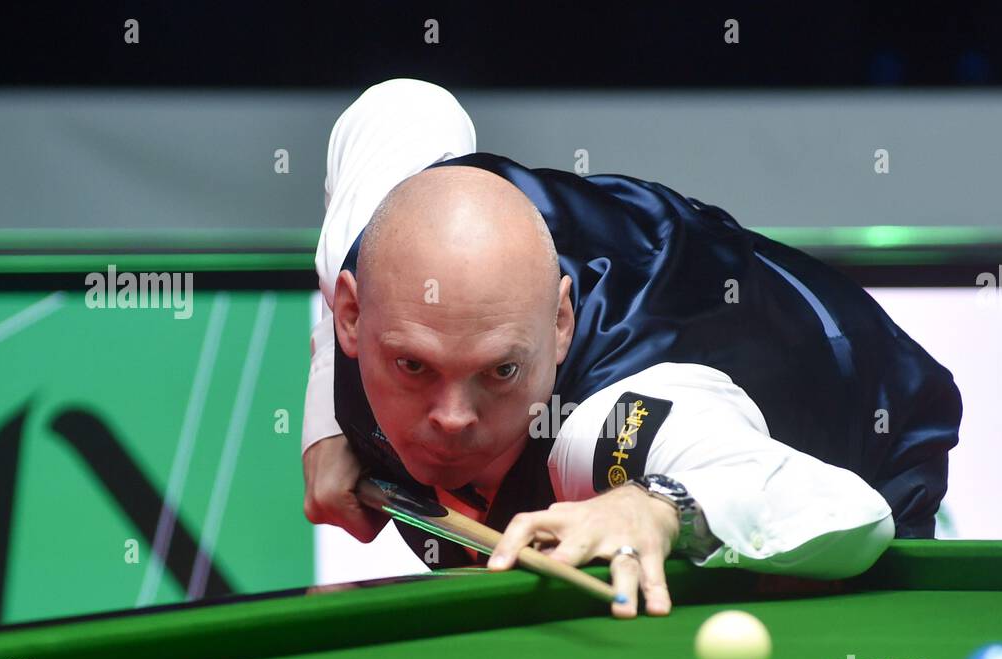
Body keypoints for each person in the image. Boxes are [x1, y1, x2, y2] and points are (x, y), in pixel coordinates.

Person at [302, 78, 962, 618]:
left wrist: (656, 504)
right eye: (413, 366)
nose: (451, 418)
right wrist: (326, 422)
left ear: (560, 326)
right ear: (353, 312)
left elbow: (852, 513)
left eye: (501, 372)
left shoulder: (609, 428)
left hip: (865, 414)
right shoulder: (366, 237)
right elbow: (407, 103)